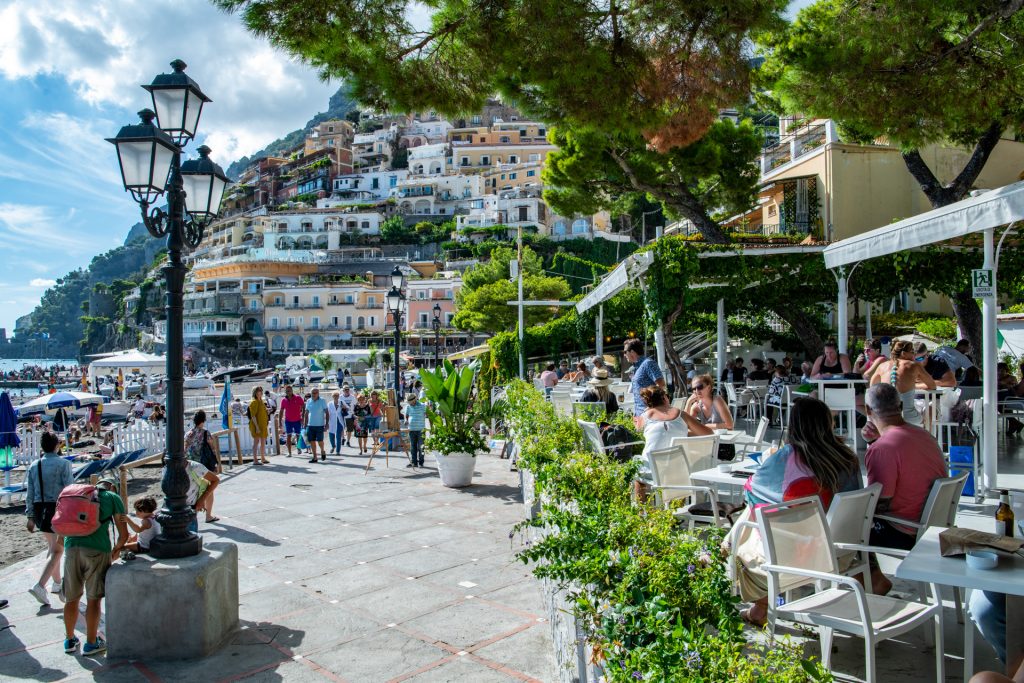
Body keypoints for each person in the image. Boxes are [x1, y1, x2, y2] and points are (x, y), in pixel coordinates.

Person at [727, 397, 862, 626]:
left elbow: (751, 490)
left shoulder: (788, 457)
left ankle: (761, 605)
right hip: (843, 550)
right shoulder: (847, 457)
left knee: (747, 523)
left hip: (803, 555)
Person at [863, 383, 947, 595]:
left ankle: (871, 581)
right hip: (932, 529)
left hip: (905, 531)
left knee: (846, 528)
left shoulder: (883, 449)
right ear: (900, 406)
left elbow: (878, 503)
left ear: (867, 411)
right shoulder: (924, 436)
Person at [62, 474, 127, 656]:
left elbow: (61, 532)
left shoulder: (76, 495)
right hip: (98, 549)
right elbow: (123, 534)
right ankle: (91, 643)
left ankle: (69, 639)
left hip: (71, 548)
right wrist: (116, 550)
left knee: (71, 598)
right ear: (112, 487)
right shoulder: (113, 498)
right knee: (94, 599)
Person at [25, 431, 73, 607]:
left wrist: (30, 515)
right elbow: (70, 489)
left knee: (52, 548)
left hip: (39, 510)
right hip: (57, 508)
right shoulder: (64, 464)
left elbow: (30, 493)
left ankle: (57, 585)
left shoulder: (34, 465)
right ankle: (40, 585)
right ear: (57, 445)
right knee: (58, 550)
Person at [868, 340, 936, 427]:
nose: (914, 355)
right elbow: (932, 385)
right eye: (912, 352)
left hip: (885, 418)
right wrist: (914, 385)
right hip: (908, 417)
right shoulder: (914, 365)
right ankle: (926, 439)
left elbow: (872, 387)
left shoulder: (882, 366)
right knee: (926, 418)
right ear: (903, 353)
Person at [624, 338, 665, 422]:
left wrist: (651, 406)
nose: (624, 355)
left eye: (625, 352)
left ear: (632, 352)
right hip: (640, 413)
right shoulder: (636, 367)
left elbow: (661, 384)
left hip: (651, 414)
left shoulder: (648, 363)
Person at [176, 456, 220, 527]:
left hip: (189, 510)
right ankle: (208, 516)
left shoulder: (194, 467)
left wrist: (201, 500)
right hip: (174, 509)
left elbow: (215, 480)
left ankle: (208, 515)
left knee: (208, 486)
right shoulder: (167, 468)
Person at [304, 387, 329, 463]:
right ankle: (315, 457)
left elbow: (327, 413)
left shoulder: (322, 401)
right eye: (312, 393)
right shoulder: (308, 401)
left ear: (318, 393)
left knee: (320, 441)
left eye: (315, 393)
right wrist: (305, 424)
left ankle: (322, 451)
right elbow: (306, 413)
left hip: (319, 425)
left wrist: (326, 424)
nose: (313, 394)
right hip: (310, 425)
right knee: (311, 441)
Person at [279, 385, 305, 457]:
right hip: (288, 421)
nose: (288, 392)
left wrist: (302, 416)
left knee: (298, 435)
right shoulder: (284, 400)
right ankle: (290, 453)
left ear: (292, 391)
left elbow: (303, 405)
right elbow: (281, 411)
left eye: (289, 391)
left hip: (297, 420)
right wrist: (279, 422)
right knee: (288, 436)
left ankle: (298, 447)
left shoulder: (298, 398)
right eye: (287, 391)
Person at [248, 386, 270, 465]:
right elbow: (253, 416)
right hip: (256, 425)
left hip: (263, 424)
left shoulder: (261, 401)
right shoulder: (254, 402)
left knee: (263, 442)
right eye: (258, 391)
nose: (260, 392)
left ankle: (263, 458)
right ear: (255, 392)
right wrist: (257, 427)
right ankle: (255, 460)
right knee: (256, 442)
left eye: (261, 390)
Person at [404, 393, 427, 468]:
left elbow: (428, 415)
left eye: (412, 402)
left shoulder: (423, 406)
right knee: (412, 447)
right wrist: (405, 420)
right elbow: (406, 415)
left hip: (421, 429)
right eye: (410, 402)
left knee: (421, 447)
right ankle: (414, 462)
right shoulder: (408, 406)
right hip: (411, 429)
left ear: (415, 400)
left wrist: (432, 427)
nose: (411, 404)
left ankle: (421, 462)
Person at [326, 390, 347, 456]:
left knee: (338, 437)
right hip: (331, 421)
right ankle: (333, 446)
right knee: (331, 435)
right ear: (332, 396)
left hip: (339, 421)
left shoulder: (341, 402)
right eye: (334, 396)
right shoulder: (329, 403)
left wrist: (344, 407)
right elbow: (327, 413)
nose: (336, 397)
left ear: (339, 396)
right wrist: (326, 422)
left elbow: (348, 408)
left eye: (337, 396)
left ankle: (338, 451)